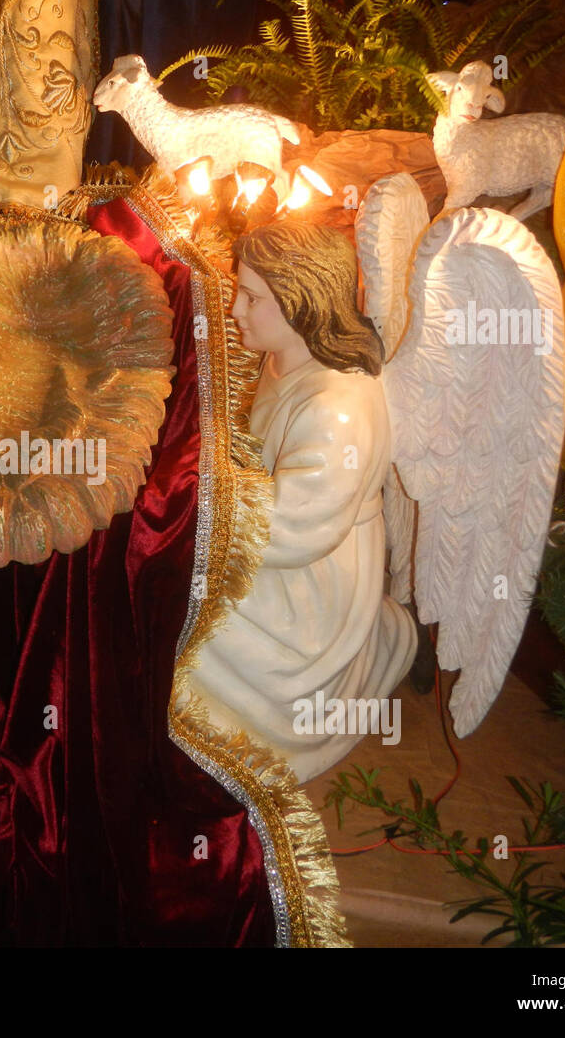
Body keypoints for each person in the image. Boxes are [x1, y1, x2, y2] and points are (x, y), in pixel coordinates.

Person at [190, 219, 417, 782]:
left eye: (252, 297)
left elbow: (292, 529)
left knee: (177, 597)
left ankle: (246, 721)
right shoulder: (284, 359)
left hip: (308, 589)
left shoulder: (338, 405)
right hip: (268, 547)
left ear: (301, 301)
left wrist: (188, 501)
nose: (236, 309)